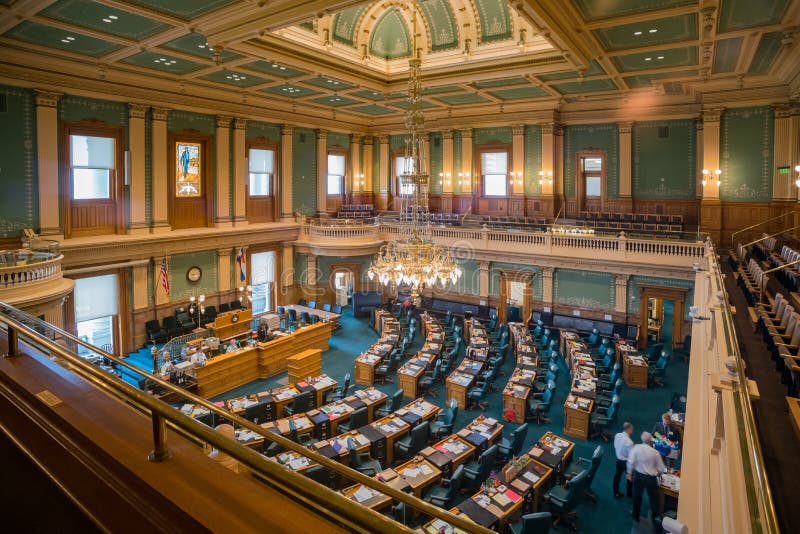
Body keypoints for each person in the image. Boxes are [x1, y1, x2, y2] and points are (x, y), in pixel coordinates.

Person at [627, 432, 666, 527]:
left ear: (642, 439)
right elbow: (661, 469)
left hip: (638, 476)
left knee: (637, 496)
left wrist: (629, 473)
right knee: (654, 499)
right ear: (651, 441)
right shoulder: (655, 452)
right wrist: (658, 474)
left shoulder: (636, 448)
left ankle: (635, 515)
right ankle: (655, 519)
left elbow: (630, 462)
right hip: (651, 478)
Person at [613, 422, 634, 498]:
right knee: (630, 477)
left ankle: (615, 492)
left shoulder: (617, 435)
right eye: (632, 428)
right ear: (628, 429)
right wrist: (629, 472)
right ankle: (629, 493)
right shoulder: (629, 442)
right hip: (626, 462)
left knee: (617, 476)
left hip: (618, 460)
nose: (633, 430)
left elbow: (615, 445)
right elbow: (631, 457)